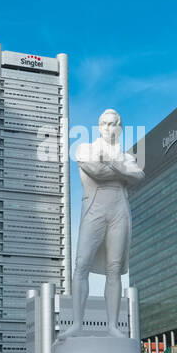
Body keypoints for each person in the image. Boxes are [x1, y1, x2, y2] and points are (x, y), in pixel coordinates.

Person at [61, 108, 144, 339]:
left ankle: (113, 326)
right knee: (81, 265)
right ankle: (77, 323)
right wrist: (122, 172)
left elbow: (138, 176)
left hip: (119, 210)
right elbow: (96, 172)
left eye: (114, 124)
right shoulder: (85, 148)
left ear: (119, 127)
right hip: (94, 208)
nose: (109, 128)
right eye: (105, 124)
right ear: (99, 127)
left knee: (114, 269)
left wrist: (116, 166)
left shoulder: (126, 157)